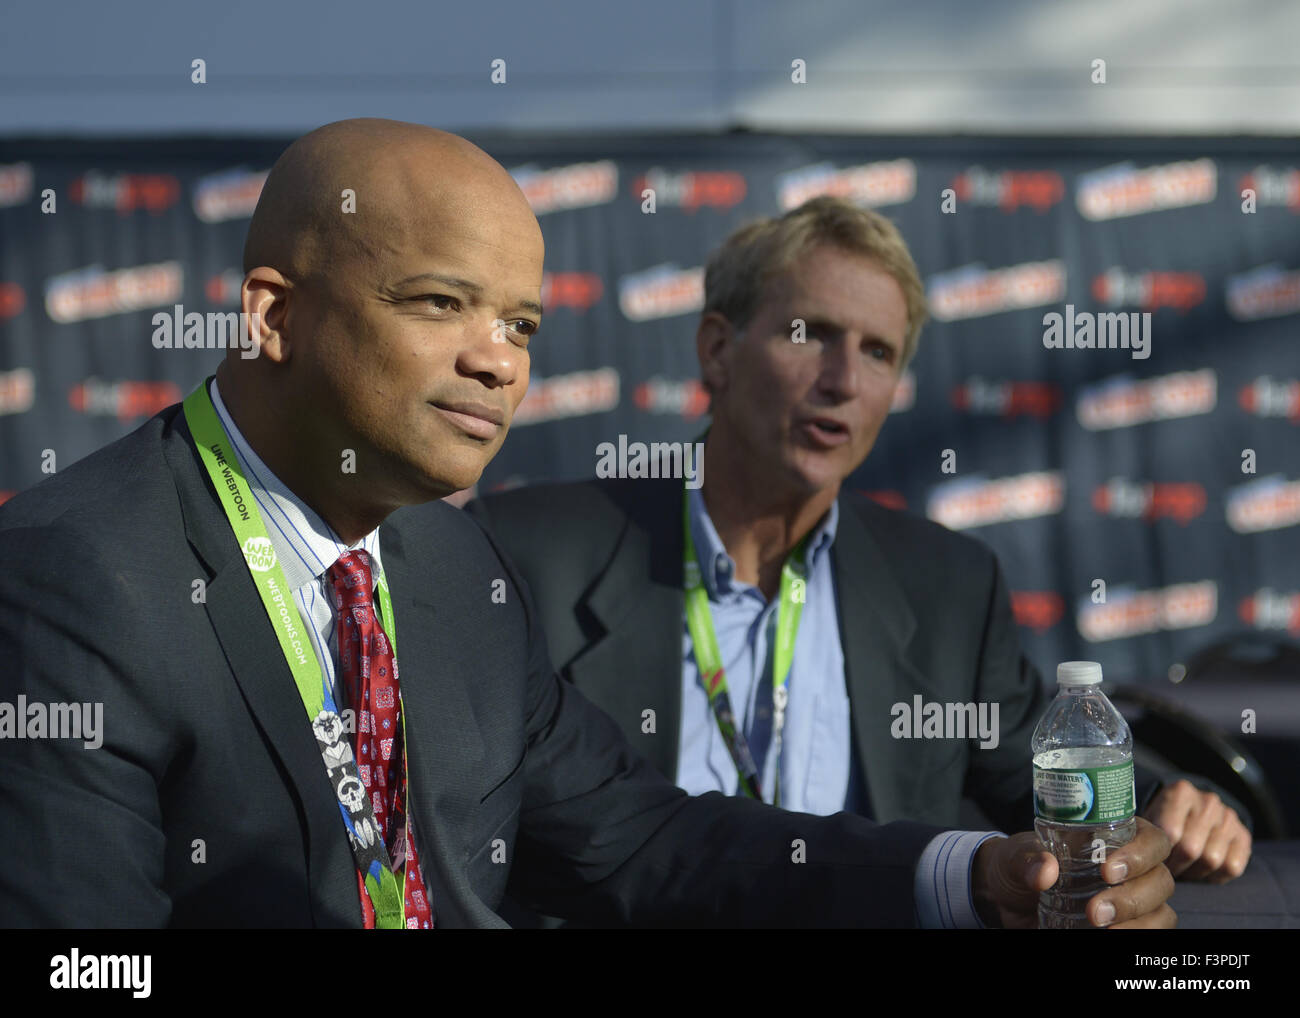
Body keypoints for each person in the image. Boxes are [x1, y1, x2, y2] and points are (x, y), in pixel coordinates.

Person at [0, 119, 1175, 929]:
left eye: (521, 324)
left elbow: (643, 840)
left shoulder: (451, 561)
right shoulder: (71, 575)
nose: (495, 361)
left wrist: (967, 874)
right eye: (442, 303)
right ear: (273, 314)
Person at [465, 196, 1251, 891]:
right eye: (812, 335)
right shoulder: (529, 553)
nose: (843, 379)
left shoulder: (944, 585)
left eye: (878, 352)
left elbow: (1039, 773)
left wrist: (1169, 808)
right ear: (716, 350)